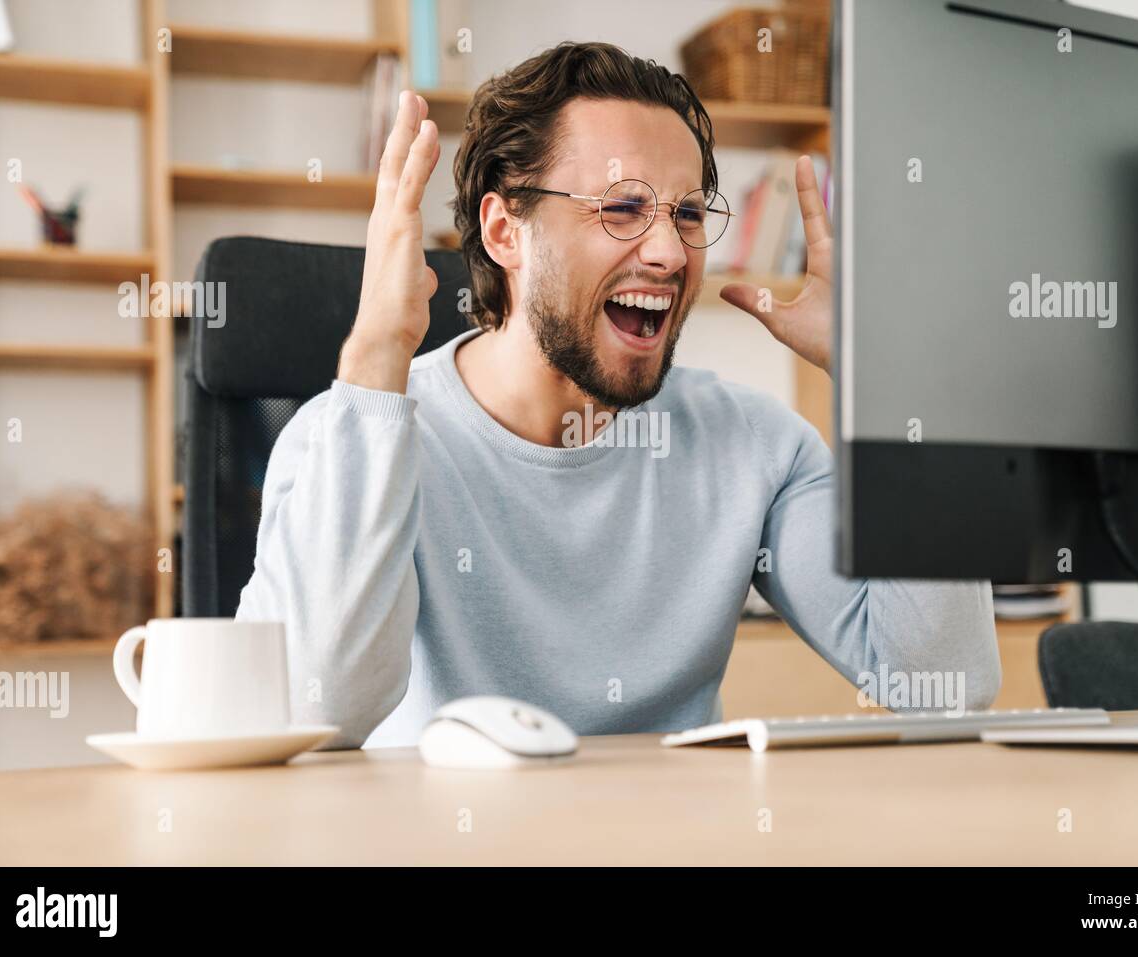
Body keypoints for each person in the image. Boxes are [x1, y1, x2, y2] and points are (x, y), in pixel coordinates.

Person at [235, 42, 999, 748]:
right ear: (506, 233)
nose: (669, 251)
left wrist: (898, 384)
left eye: (689, 213)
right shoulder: (353, 436)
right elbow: (314, 711)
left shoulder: (755, 445)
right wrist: (375, 355)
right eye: (623, 207)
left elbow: (945, 687)